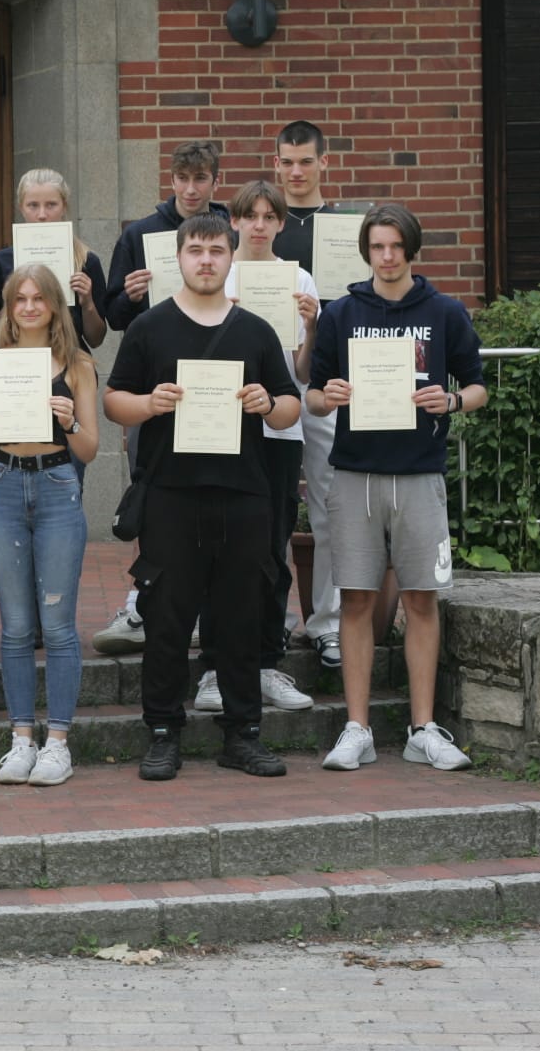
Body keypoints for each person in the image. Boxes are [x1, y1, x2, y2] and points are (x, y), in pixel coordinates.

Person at [102, 212, 301, 782]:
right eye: (196, 250)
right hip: (170, 493)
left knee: (240, 617)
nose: (207, 260)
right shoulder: (150, 328)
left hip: (243, 494)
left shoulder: (257, 330)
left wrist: (267, 402)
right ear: (181, 258)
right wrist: (149, 405)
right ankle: (163, 732)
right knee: (166, 617)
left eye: (217, 250)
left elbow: (289, 407)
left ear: (230, 256)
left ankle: (243, 734)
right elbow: (115, 398)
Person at [309, 204, 487, 773]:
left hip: (419, 473)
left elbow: (478, 386)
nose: (387, 257)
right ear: (366, 251)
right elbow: (312, 396)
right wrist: (329, 396)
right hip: (355, 472)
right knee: (356, 600)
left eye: (395, 246)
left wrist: (453, 400)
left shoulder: (444, 312)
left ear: (411, 248)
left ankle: (422, 728)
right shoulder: (341, 313)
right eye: (378, 247)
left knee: (421, 599)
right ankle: (356, 727)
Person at [93, 139, 227, 657]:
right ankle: (149, 596)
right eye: (183, 179)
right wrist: (126, 293)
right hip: (155, 384)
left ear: (216, 181)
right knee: (153, 494)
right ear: (170, 181)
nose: (191, 189)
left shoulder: (227, 234)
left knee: (214, 494)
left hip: (217, 387)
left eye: (202, 179)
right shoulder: (139, 234)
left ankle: (206, 600)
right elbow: (112, 320)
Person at [190, 180, 319, 716]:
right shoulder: (222, 273)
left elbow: (305, 372)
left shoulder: (301, 278)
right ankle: (216, 670)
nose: (260, 224)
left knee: (270, 551)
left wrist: (311, 326)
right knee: (218, 551)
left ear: (282, 224)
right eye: (251, 215)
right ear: (234, 220)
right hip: (222, 428)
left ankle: (267, 663)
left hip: (279, 430)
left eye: (271, 216)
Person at [0, 264, 99, 786]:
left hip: (56, 485)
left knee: (59, 624)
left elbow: (90, 448)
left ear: (53, 305)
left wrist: (68, 420)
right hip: (3, 486)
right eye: (19, 299)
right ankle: (22, 737)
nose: (28, 308)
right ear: (8, 305)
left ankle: (59, 742)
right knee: (18, 626)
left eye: (38, 299)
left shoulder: (76, 364)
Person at [271, 120, 345, 669]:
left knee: (327, 501)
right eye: (287, 162)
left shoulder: (348, 228)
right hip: (268, 378)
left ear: (324, 163)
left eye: (305, 162)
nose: (296, 172)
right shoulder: (262, 227)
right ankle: (268, 622)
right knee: (268, 505)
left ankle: (329, 623)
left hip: (325, 379)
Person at [0, 168, 109, 352]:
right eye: (33, 205)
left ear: (64, 207)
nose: (42, 215)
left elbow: (96, 339)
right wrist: (9, 300)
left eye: (51, 205)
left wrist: (88, 303)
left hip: (71, 363)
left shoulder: (85, 261)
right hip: (18, 365)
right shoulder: (0, 262)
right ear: (21, 207)